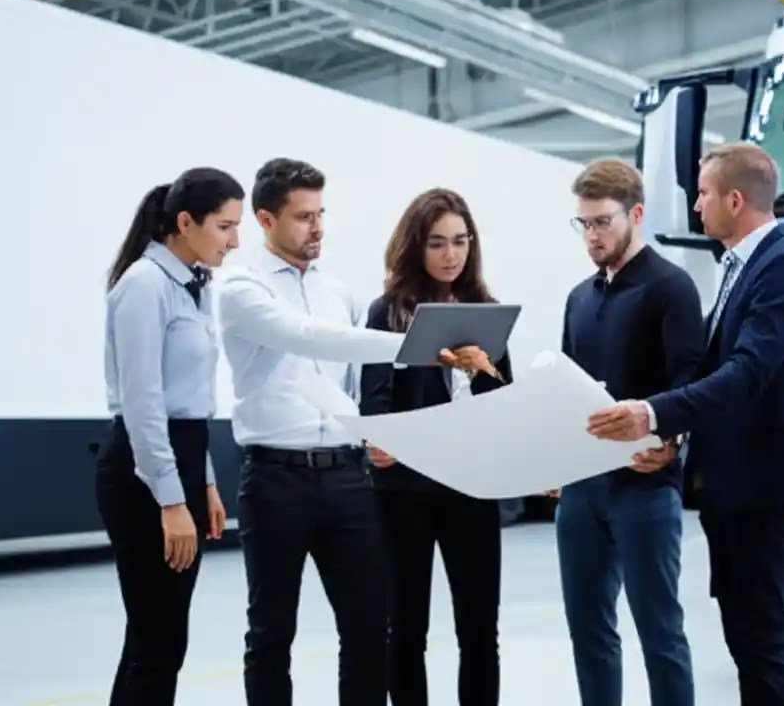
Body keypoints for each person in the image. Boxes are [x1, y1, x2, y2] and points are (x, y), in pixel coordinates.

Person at [217, 158, 469, 706]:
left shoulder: (338, 291)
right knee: (271, 634)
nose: (318, 227)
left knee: (367, 631)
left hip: (347, 482)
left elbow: (356, 379)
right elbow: (309, 338)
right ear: (265, 219)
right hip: (275, 478)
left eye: (321, 213)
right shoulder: (240, 286)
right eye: (303, 216)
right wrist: (419, 343)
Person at [586, 141, 784, 706]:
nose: (697, 207)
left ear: (736, 200)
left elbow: (747, 375)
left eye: (703, 194)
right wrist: (671, 435)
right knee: (748, 638)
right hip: (737, 488)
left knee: (764, 642)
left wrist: (651, 412)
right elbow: (719, 373)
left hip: (764, 490)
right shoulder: (744, 268)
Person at [554, 158, 705, 706]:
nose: (592, 236)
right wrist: (552, 461)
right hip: (582, 489)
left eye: (602, 222)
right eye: (584, 224)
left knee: (659, 633)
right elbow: (565, 386)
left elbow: (692, 380)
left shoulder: (672, 287)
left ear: (635, 214)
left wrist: (670, 443)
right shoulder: (579, 297)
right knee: (588, 632)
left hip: (645, 488)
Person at [96, 167, 244, 705]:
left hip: (181, 461)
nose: (236, 240)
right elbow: (144, 402)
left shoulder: (192, 287)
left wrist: (202, 483)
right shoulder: (144, 285)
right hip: (142, 472)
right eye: (226, 226)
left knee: (154, 638)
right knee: (158, 639)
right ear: (186, 222)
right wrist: (170, 499)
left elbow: (192, 401)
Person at [359, 188, 512, 706]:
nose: (452, 255)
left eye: (461, 242)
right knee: (404, 630)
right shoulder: (388, 311)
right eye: (438, 243)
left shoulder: (488, 311)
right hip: (404, 493)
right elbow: (374, 396)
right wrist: (379, 439)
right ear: (415, 247)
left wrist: (485, 371)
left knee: (479, 631)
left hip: (471, 489)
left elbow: (504, 407)